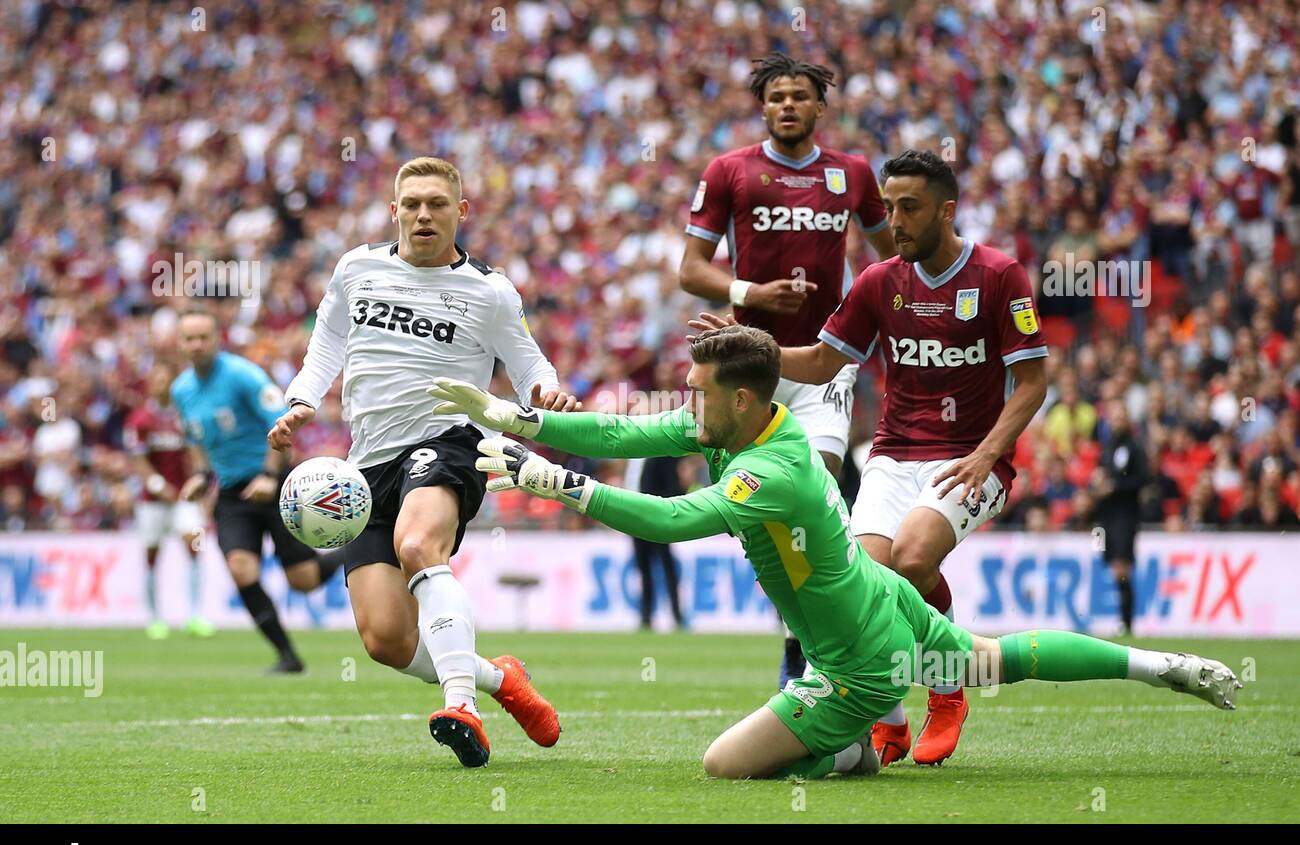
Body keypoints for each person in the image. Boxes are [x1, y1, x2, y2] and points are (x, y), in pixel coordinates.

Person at [430, 325, 1240, 780]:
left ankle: (849, 745)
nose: (685, 403)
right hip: (885, 602)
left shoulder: (774, 470)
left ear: (742, 399)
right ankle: (1159, 664)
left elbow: (673, 521)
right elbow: (610, 430)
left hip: (858, 664)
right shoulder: (731, 422)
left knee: (722, 765)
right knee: (992, 659)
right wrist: (513, 416)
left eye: (698, 391)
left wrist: (554, 484)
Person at [691, 149, 1049, 766]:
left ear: (947, 210)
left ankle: (946, 684)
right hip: (891, 455)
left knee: (911, 557)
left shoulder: (999, 275)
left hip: (970, 457)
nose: (896, 220)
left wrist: (989, 455)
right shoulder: (880, 281)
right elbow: (825, 360)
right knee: (860, 584)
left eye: (909, 208)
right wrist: (749, 349)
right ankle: (886, 717)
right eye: (888, 207)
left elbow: (1034, 381)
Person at [270, 156, 576, 767]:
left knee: (418, 545)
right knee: (385, 638)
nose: (423, 214)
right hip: (366, 466)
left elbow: (529, 361)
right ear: (394, 211)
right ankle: (500, 679)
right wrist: (303, 398)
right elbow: (327, 340)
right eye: (411, 204)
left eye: (436, 203)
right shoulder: (356, 269)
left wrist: (545, 390)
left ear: (461, 211)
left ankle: (462, 704)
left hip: (450, 442)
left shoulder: (489, 290)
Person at [678, 51, 898, 688]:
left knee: (818, 493)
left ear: (820, 107)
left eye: (800, 96)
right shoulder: (730, 171)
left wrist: (879, 318)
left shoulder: (852, 174)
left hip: (826, 364)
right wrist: (750, 295)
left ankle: (812, 651)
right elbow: (691, 269)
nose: (788, 106)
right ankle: (800, 632)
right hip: (750, 368)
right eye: (777, 97)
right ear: (763, 107)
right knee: (765, 516)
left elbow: (892, 263)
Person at [172, 308, 341, 673]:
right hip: (233, 493)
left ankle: (354, 548)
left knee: (304, 581)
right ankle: (287, 655)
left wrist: (269, 474)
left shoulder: (243, 376)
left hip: (275, 483)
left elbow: (279, 424)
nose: (196, 345)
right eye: (189, 338)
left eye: (203, 337)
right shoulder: (181, 389)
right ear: (180, 344)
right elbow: (194, 438)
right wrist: (202, 474)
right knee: (241, 569)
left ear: (217, 339)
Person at [123, 363, 212, 639]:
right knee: (152, 554)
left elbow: (197, 452)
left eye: (166, 379)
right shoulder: (140, 420)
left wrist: (199, 479)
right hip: (152, 500)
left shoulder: (184, 417)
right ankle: (154, 618)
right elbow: (137, 460)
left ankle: (195, 615)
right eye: (157, 379)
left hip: (183, 496)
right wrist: (158, 485)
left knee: (194, 543)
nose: (161, 384)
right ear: (151, 384)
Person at [1092, 400, 1148, 634]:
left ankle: (1127, 622)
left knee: (1122, 567)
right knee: (1114, 566)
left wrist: (1114, 487)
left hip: (1125, 516)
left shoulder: (1134, 448)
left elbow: (1142, 479)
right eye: (1113, 418)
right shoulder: (1107, 448)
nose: (1117, 422)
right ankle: (1122, 620)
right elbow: (1100, 475)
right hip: (1107, 516)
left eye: (1121, 417)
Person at [625, 454, 686, 630]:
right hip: (634, 518)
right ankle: (646, 617)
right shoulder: (633, 457)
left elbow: (671, 484)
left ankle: (677, 615)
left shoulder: (659, 453)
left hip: (655, 517)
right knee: (644, 569)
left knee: (666, 567)